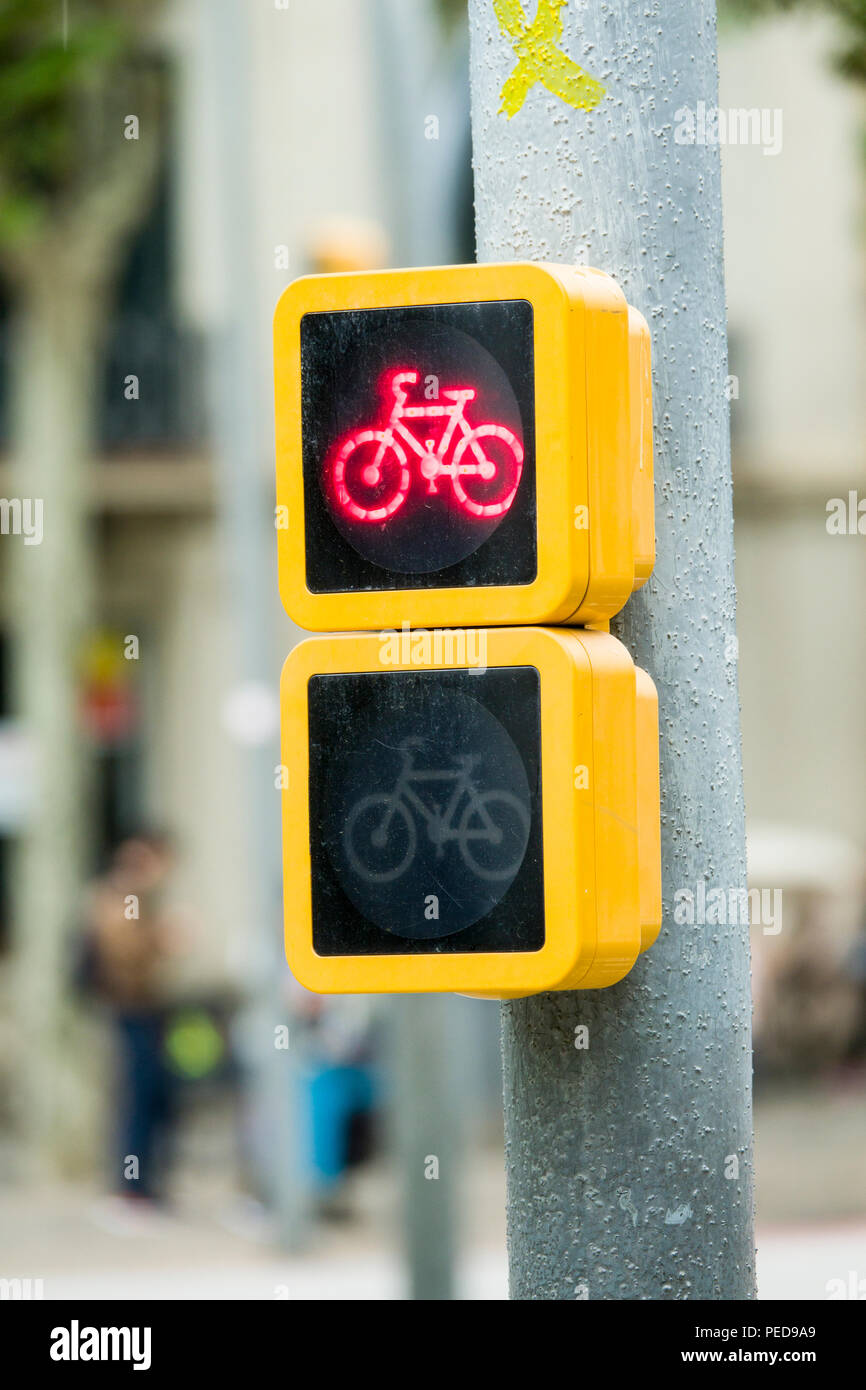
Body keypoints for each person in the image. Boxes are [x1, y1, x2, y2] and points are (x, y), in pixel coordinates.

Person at [82, 830, 181, 1216]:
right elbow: (126, 953)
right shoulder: (124, 898)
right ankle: (133, 1187)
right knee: (138, 1098)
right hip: (132, 1010)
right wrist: (162, 939)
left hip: (143, 1009)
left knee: (152, 1098)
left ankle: (144, 1185)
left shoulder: (134, 899)